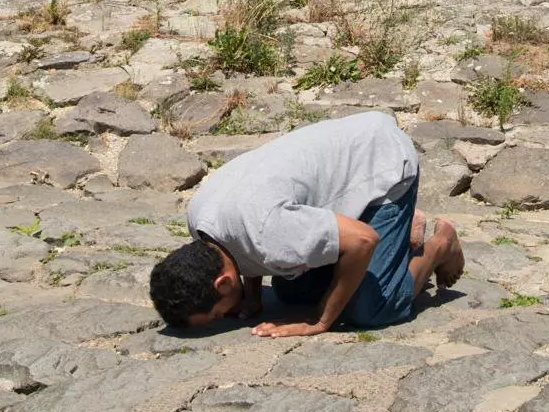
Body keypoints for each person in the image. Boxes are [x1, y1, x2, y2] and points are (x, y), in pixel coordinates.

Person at [148, 111, 464, 338]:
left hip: (383, 163)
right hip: (347, 156)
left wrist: (320, 322)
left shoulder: (269, 232)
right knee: (293, 290)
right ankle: (399, 234)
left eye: (217, 314)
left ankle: (439, 245)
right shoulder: (200, 222)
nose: (224, 317)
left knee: (368, 309)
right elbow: (238, 236)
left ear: (224, 283)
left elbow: (363, 241)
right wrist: (253, 294)